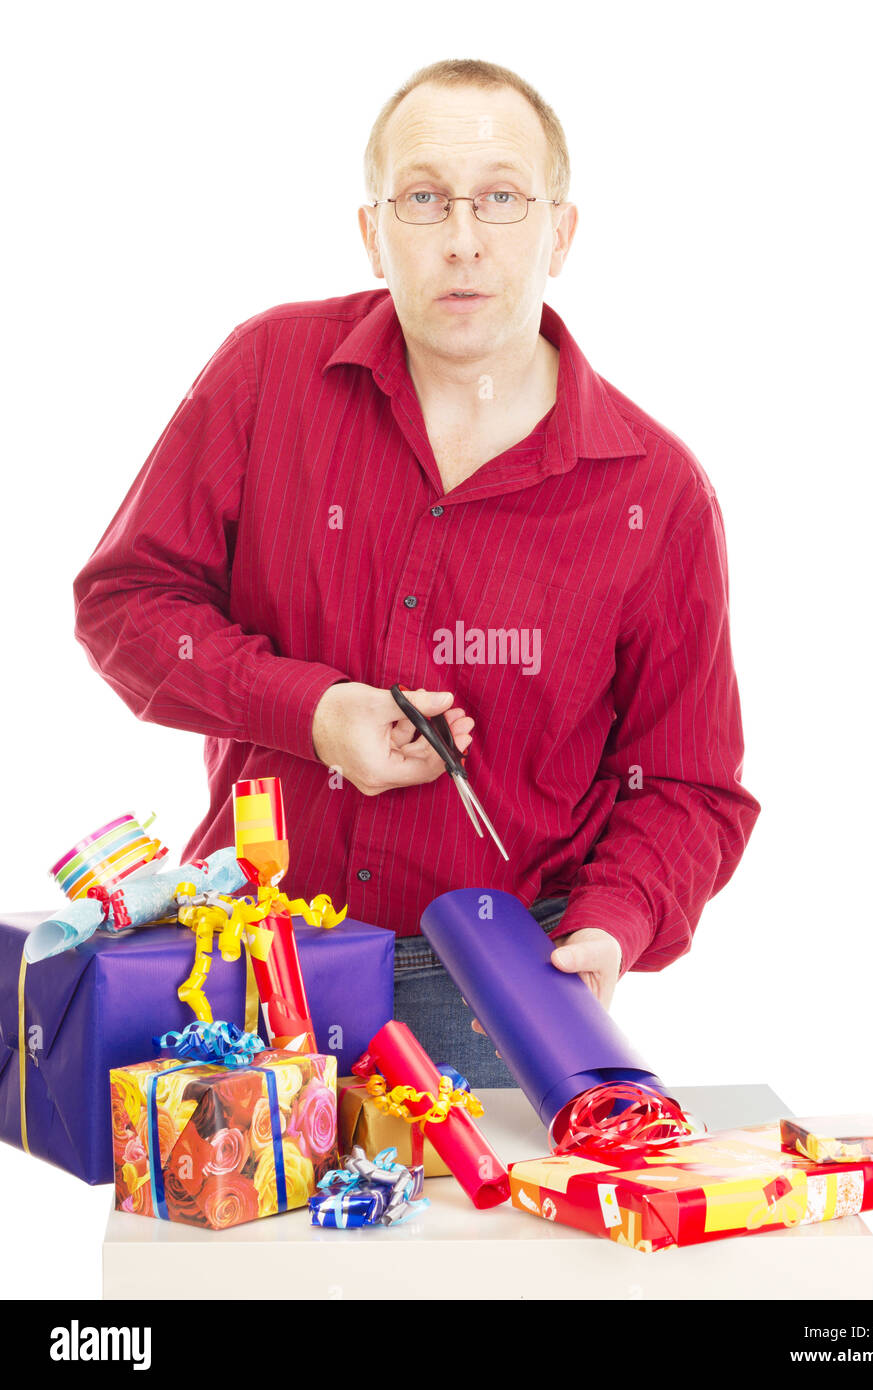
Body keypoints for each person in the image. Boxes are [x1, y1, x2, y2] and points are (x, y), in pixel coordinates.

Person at [73, 58, 760, 1086]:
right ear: (373, 229)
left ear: (561, 232)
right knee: (224, 1250)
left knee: (475, 1251)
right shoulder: (266, 374)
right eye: (426, 198)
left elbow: (688, 785)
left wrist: (613, 927)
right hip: (253, 962)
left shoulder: (657, 494)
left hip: (495, 984)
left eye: (502, 198)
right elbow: (125, 605)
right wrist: (313, 711)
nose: (464, 238)